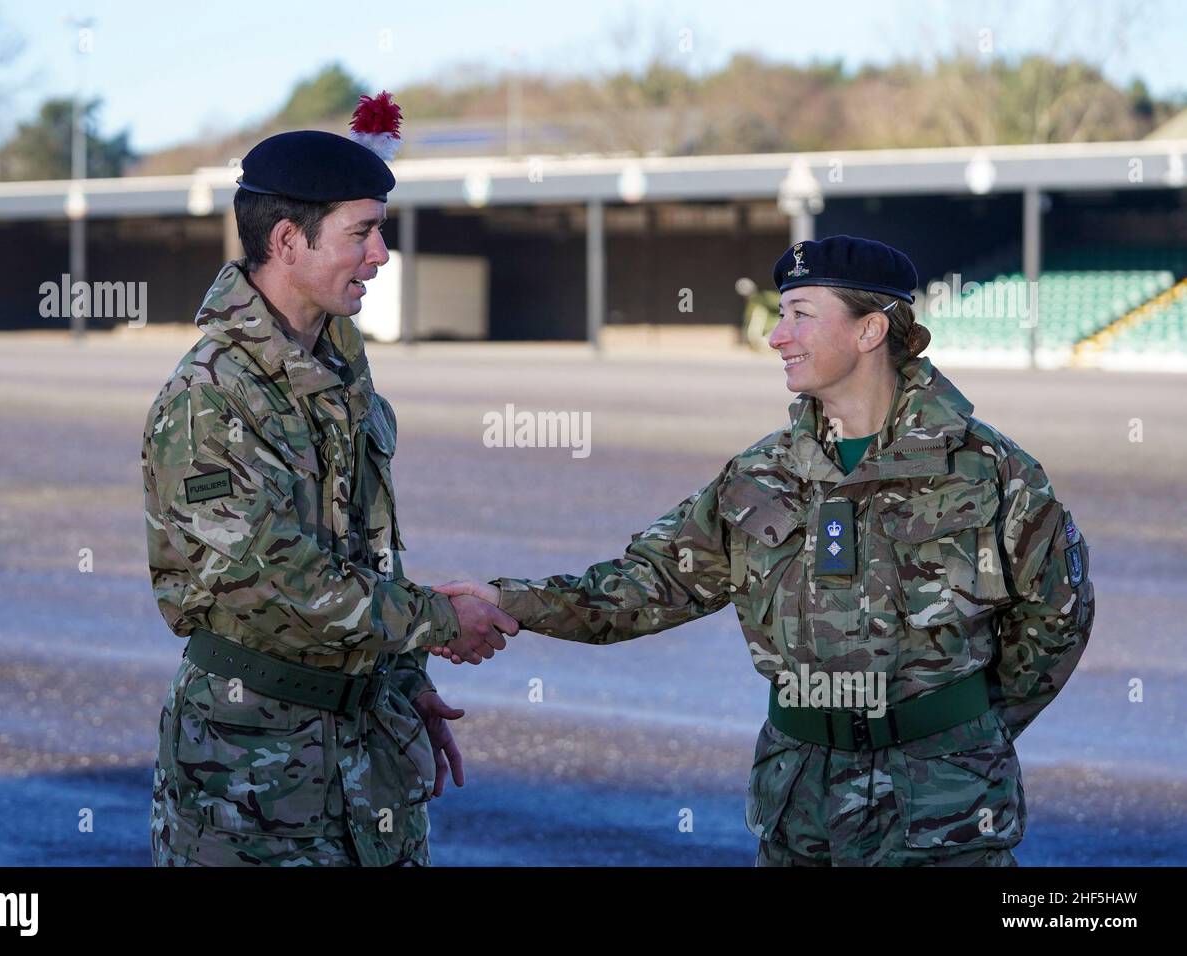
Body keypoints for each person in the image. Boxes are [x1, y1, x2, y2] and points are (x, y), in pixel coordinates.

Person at [433, 235, 1095, 867]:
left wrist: (963, 730)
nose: (778, 336)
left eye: (802, 316)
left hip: (944, 811)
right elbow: (647, 587)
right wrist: (506, 599)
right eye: (781, 316)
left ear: (871, 331)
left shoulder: (988, 470)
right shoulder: (761, 474)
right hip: (798, 808)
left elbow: (1056, 619)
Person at [142, 93, 516, 867]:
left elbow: (364, 544)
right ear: (287, 240)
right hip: (249, 774)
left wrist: (401, 674)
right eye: (364, 232)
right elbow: (273, 578)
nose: (380, 254)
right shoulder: (210, 397)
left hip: (363, 747)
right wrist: (436, 624)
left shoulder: (338, 369)